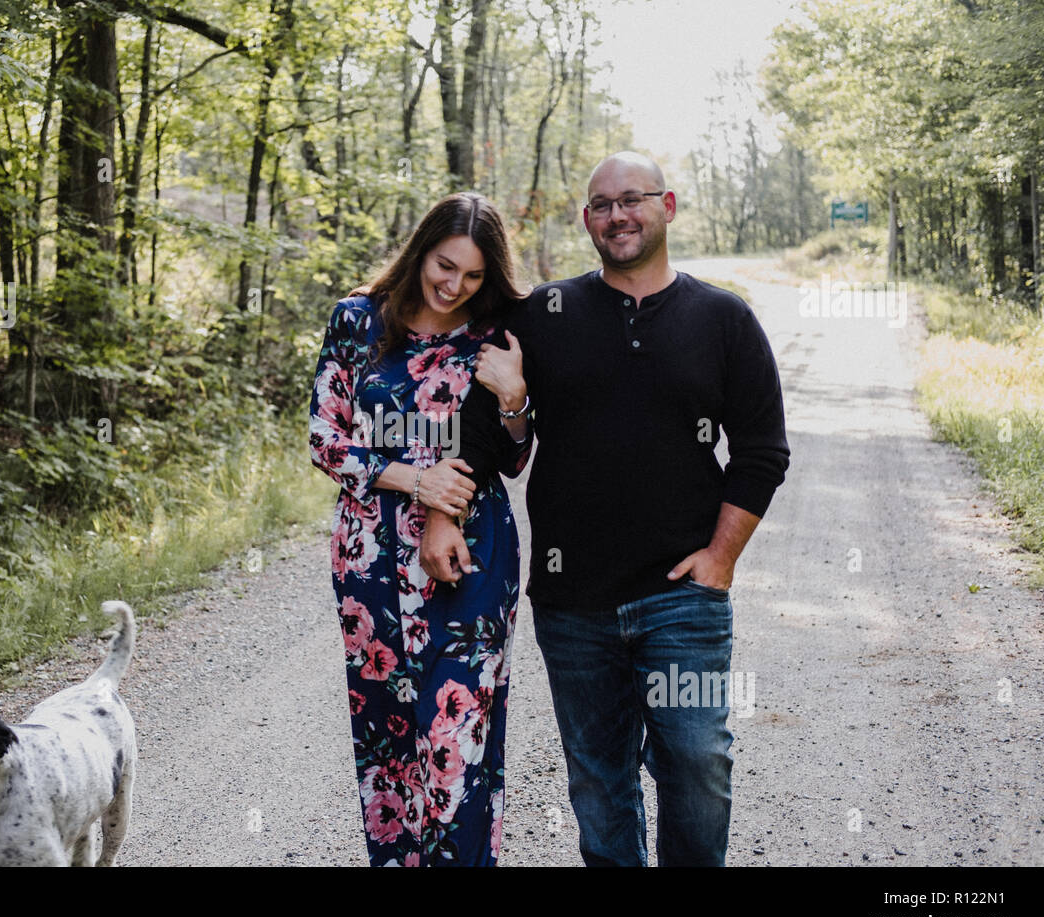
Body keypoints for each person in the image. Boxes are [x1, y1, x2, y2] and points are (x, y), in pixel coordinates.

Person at [421, 152, 790, 866]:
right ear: (586, 219)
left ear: (669, 206)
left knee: (697, 765)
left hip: (682, 595)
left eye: (633, 200)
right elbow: (483, 435)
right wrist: (448, 505)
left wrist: (720, 558)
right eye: (601, 205)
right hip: (573, 601)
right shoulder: (544, 316)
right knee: (599, 782)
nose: (618, 216)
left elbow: (762, 452)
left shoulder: (723, 319)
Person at [308, 192, 532, 866]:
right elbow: (326, 439)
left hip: (473, 549)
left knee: (455, 730)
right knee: (388, 736)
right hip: (370, 555)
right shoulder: (356, 321)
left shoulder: (494, 334)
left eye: (471, 276)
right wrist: (414, 479)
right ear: (420, 249)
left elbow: (514, 457)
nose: (453, 285)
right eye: (444, 265)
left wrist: (516, 399)